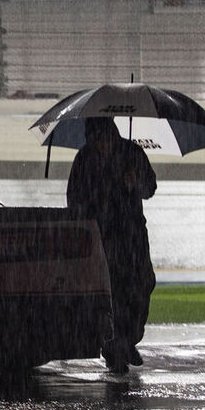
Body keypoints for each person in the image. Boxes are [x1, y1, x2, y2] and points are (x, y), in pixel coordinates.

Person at [66, 116, 157, 374]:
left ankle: (129, 338)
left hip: (132, 236)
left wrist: (135, 182)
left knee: (141, 285)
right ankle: (115, 345)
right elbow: (74, 199)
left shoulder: (132, 153)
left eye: (103, 138)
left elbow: (150, 187)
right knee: (112, 293)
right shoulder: (84, 160)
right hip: (104, 238)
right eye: (95, 139)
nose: (100, 144)